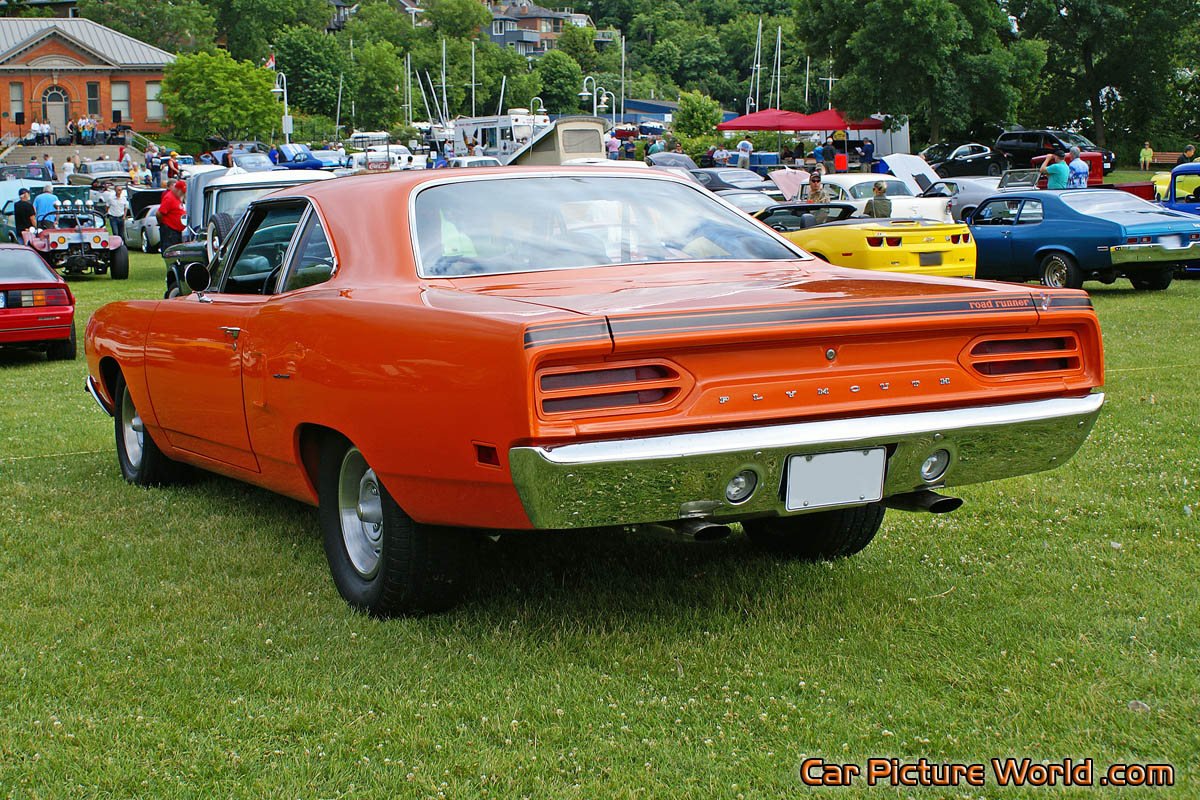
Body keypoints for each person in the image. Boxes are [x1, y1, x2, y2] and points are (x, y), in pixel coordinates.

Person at [156, 180, 187, 261]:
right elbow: (159, 213)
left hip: (176, 230)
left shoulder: (177, 198)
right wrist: (161, 223)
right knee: (170, 251)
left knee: (176, 251)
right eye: (182, 192)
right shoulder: (169, 198)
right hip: (170, 230)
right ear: (177, 189)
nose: (183, 194)